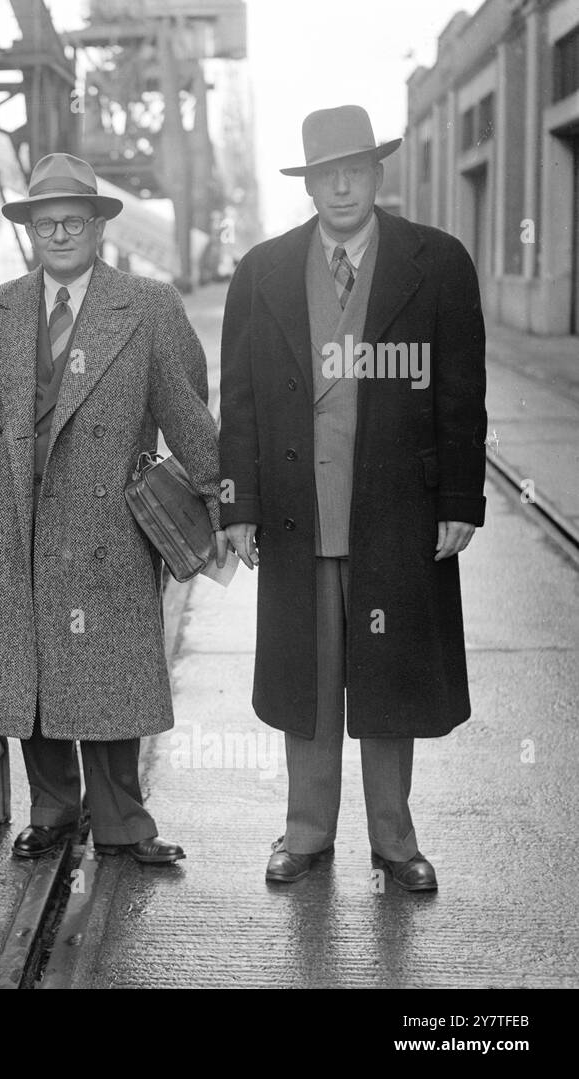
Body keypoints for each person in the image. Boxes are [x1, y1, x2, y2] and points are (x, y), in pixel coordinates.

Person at [219, 105, 487, 892]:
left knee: (390, 679)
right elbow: (239, 401)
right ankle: (306, 833)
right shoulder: (262, 270)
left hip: (398, 511)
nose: (340, 185)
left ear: (378, 174)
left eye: (355, 170)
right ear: (308, 185)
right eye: (325, 174)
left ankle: (395, 841)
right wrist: (237, 504)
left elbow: (462, 391)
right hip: (301, 515)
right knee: (309, 681)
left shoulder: (436, 262)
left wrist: (461, 499)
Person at [0, 153, 225, 863]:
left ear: (98, 228)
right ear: (29, 231)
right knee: (35, 675)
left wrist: (225, 502)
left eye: (72, 221)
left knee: (112, 679)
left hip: (107, 525)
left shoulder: (147, 306)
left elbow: (188, 414)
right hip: (17, 522)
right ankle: (51, 810)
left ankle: (123, 823)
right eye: (44, 222)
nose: (58, 234)